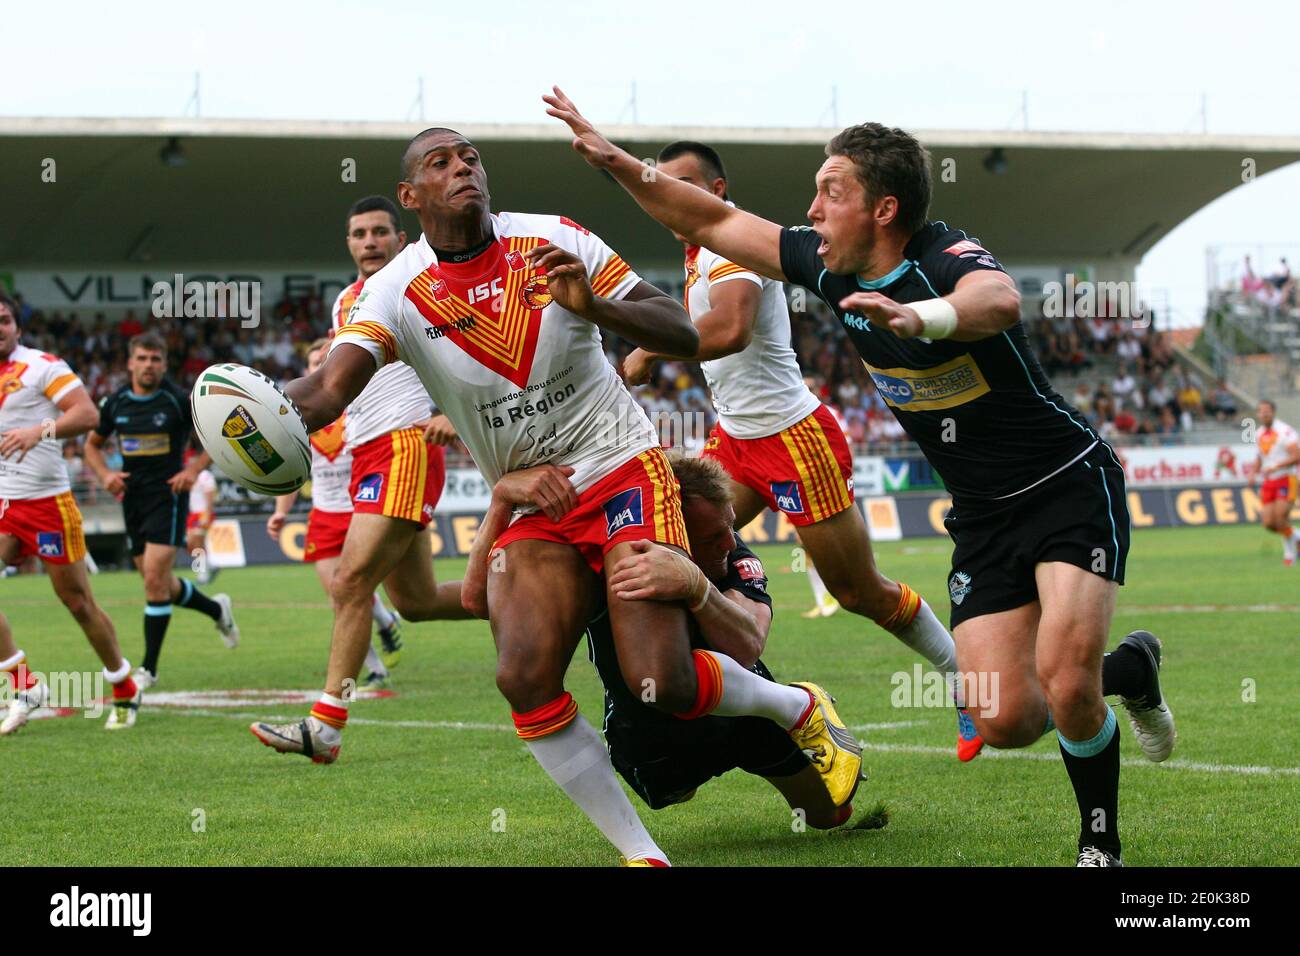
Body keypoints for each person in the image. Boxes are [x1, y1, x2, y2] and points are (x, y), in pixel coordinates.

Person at [546, 89, 1176, 866]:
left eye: (829, 192)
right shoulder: (822, 263)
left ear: (882, 208)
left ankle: (1099, 847)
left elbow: (999, 299)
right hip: (981, 513)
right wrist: (615, 161)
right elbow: (707, 219)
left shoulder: (944, 257)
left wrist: (927, 318)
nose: (810, 209)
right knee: (1008, 716)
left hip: (1063, 485)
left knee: (1066, 685)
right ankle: (1131, 670)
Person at [252, 127, 862, 867]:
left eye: (470, 157)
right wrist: (253, 415)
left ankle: (795, 705)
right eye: (440, 164)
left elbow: (678, 327)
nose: (463, 169)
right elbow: (324, 390)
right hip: (538, 502)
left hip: (621, 470)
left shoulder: (553, 237)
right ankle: (644, 857)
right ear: (413, 196)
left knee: (659, 680)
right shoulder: (393, 292)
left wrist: (595, 305)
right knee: (522, 675)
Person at [621, 141, 977, 757]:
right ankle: (725, 703)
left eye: (684, 184)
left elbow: (731, 329)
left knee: (858, 592)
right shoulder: (695, 255)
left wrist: (653, 347)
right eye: (661, 185)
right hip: (735, 440)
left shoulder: (728, 251)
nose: (670, 197)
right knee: (679, 547)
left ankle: (966, 682)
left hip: (792, 441)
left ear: (718, 189)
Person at [467, 454, 851, 828]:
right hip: (648, 726)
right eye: (713, 536)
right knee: (672, 794)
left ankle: (798, 712)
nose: (729, 544)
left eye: (729, 528)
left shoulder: (733, 553)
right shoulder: (611, 561)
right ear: (672, 534)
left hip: (743, 715)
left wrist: (697, 588)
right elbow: (475, 597)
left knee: (827, 815)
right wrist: (501, 500)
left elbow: (749, 642)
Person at [0, 290, 142, 733]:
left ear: (17, 327)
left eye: (3, 320)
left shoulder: (42, 365)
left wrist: (37, 431)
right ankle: (24, 687)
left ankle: (124, 686)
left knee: (77, 603)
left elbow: (88, 414)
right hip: (4, 502)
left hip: (48, 504)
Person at [85, 334, 238, 689]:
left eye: (155, 359)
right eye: (142, 358)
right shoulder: (115, 403)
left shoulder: (178, 401)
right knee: (160, 585)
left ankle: (148, 670)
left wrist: (193, 470)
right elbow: (92, 446)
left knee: (154, 583)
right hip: (132, 500)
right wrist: (106, 474)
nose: (148, 365)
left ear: (165, 364)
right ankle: (217, 610)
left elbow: (217, 436)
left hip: (168, 498)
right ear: (130, 363)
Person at [266, 339, 403, 687]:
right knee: (338, 598)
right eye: (313, 362)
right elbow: (293, 472)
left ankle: (384, 625)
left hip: (361, 508)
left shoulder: (359, 408)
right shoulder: (300, 418)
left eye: (324, 361)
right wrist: (281, 512)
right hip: (324, 514)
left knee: (352, 590)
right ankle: (378, 657)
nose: (318, 367)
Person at [1249, 399, 1300, 565]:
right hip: (1269, 481)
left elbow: (1297, 455)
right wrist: (1252, 472)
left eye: (1267, 410)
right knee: (1269, 523)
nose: (1264, 413)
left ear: (1273, 412)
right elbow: (1259, 456)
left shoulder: (1285, 431)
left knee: (1280, 518)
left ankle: (1289, 557)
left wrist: (1278, 466)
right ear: (1258, 414)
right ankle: (1297, 537)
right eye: (1261, 411)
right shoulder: (1259, 433)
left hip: (1287, 478)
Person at [184, 452, 219, 585]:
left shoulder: (204, 475)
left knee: (197, 543)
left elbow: (209, 495)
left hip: (202, 513)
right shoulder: (191, 476)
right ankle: (210, 566)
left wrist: (206, 514)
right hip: (193, 514)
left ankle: (202, 573)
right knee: (190, 544)